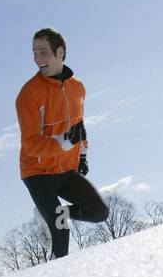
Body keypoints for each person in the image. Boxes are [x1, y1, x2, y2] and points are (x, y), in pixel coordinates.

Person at [15, 27, 109, 258]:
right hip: (37, 172)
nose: (38, 59)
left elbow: (78, 126)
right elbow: (30, 144)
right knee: (61, 230)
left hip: (66, 169)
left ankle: (49, 214)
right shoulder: (28, 94)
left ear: (60, 52)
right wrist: (64, 144)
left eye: (43, 52)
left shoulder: (78, 87)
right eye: (34, 53)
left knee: (99, 212)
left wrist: (82, 154)